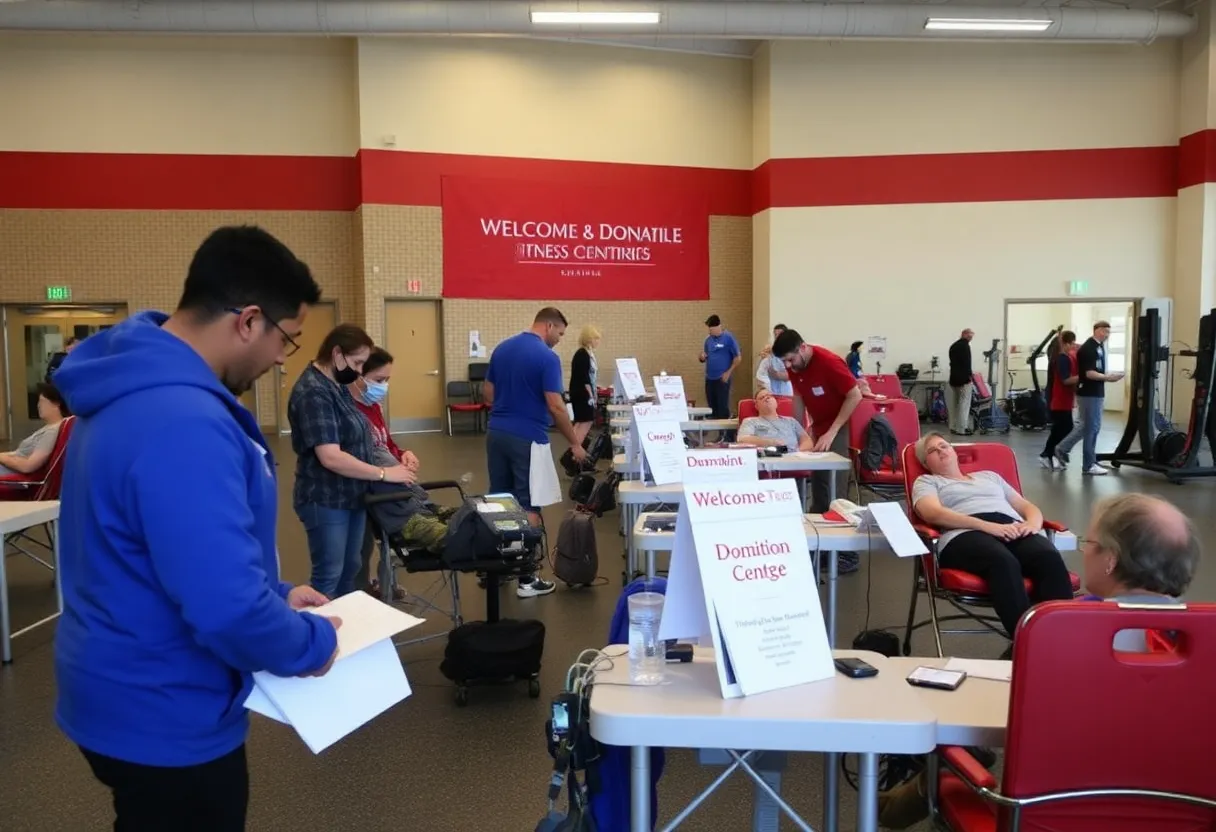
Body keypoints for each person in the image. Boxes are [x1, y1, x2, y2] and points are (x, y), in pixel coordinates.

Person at [52, 225, 342, 832]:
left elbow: (153, 549)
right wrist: (313, 645)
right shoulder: (185, 419)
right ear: (249, 320)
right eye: (286, 341)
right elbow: (228, 611)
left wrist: (277, 593)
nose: (277, 362)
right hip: (166, 711)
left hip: (110, 683)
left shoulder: (127, 384)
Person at [878, 490, 1200, 829]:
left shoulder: (1056, 631)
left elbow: (995, 700)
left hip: (1056, 818)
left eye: (1088, 542)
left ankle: (882, 810)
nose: (1084, 551)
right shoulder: (1201, 643)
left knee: (943, 778)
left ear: (1111, 559)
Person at [289, 324, 414, 599]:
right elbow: (330, 456)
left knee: (351, 570)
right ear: (337, 354)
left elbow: (363, 433)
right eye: (357, 362)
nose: (359, 370)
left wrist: (395, 454)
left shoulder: (338, 385)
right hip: (326, 498)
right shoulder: (314, 392)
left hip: (353, 494)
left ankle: (348, 634)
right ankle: (323, 636)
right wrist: (384, 473)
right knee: (329, 575)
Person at [910, 432, 1074, 641]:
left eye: (944, 446)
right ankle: (1027, 642)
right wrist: (988, 527)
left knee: (1047, 557)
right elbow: (933, 513)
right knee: (1002, 561)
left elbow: (1026, 506)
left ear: (954, 451)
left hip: (1010, 526)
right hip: (963, 533)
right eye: (932, 451)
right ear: (926, 463)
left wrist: (1032, 524)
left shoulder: (989, 476)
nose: (941, 451)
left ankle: (1063, 638)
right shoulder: (927, 482)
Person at [484, 307, 586, 598]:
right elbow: (555, 406)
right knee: (529, 503)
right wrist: (574, 443)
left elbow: (488, 394)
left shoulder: (502, 349)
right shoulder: (546, 357)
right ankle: (527, 578)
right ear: (549, 326)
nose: (559, 340)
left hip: (497, 433)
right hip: (527, 437)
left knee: (500, 499)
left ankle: (500, 567)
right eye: (560, 334)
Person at [348, 347, 420, 597]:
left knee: (383, 539)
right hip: (362, 484)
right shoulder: (348, 410)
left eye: (387, 380)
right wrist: (386, 472)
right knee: (361, 546)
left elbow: (386, 443)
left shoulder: (373, 406)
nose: (384, 386)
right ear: (359, 375)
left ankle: (383, 584)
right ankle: (360, 590)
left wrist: (404, 454)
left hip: (383, 482)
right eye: (379, 380)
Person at [771, 328, 861, 512]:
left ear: (802, 348)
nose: (788, 366)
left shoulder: (829, 363)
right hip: (818, 423)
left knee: (834, 477)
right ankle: (818, 517)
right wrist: (798, 430)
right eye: (784, 361)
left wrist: (832, 432)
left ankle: (839, 517)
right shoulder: (797, 366)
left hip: (840, 422)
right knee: (818, 476)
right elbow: (798, 397)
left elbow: (855, 396)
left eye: (790, 359)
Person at [1055, 320, 1122, 476]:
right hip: (1089, 392)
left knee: (1088, 426)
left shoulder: (1098, 347)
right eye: (1104, 331)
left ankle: (1064, 449)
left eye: (1108, 332)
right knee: (1091, 428)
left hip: (1095, 391)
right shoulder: (1089, 348)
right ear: (1096, 330)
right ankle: (1088, 464)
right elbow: (1089, 373)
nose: (1107, 334)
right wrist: (1108, 378)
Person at [0, 382, 69, 478]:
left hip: (11, 476)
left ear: (56, 403)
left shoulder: (53, 431)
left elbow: (28, 466)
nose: (38, 405)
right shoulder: (48, 428)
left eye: (42, 401)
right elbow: (18, 453)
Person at [1039, 330, 1078, 470]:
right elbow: (1065, 379)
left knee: (1064, 428)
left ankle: (1053, 454)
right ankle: (1047, 454)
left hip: (1064, 399)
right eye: (1072, 343)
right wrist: (1085, 376)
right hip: (1059, 400)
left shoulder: (1064, 357)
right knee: (1061, 428)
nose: (1074, 346)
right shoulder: (1061, 358)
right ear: (1066, 344)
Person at [736, 388, 814, 451]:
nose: (766, 398)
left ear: (776, 402)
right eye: (762, 397)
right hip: (768, 460)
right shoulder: (750, 421)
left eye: (769, 396)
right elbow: (743, 440)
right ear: (756, 405)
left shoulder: (791, 421)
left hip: (794, 460)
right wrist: (771, 442)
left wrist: (797, 452)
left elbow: (807, 441)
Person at [699, 314, 741, 420]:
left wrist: (728, 372)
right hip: (710, 378)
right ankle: (716, 434)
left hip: (722, 378)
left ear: (718, 327)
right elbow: (704, 356)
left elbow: (738, 358)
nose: (709, 332)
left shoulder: (728, 338)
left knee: (722, 406)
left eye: (711, 329)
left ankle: (725, 434)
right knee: (712, 407)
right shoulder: (708, 340)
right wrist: (702, 357)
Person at [569, 324, 601, 446]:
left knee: (579, 423)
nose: (598, 341)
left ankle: (573, 451)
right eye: (596, 338)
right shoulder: (583, 354)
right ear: (589, 339)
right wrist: (591, 396)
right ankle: (576, 452)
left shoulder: (586, 354)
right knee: (585, 422)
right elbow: (584, 378)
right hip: (582, 395)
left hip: (580, 393)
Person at [947, 328, 974, 435]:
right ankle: (962, 428)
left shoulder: (953, 346)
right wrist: (969, 376)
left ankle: (953, 426)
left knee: (954, 404)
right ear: (964, 334)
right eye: (970, 335)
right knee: (964, 404)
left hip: (953, 379)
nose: (971, 337)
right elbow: (967, 363)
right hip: (963, 380)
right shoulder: (965, 346)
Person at [754, 323, 793, 397]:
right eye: (775, 334)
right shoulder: (770, 351)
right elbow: (759, 372)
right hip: (772, 392)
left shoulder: (791, 352)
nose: (777, 337)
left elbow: (789, 376)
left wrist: (775, 373)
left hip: (786, 392)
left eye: (780, 334)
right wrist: (762, 358)